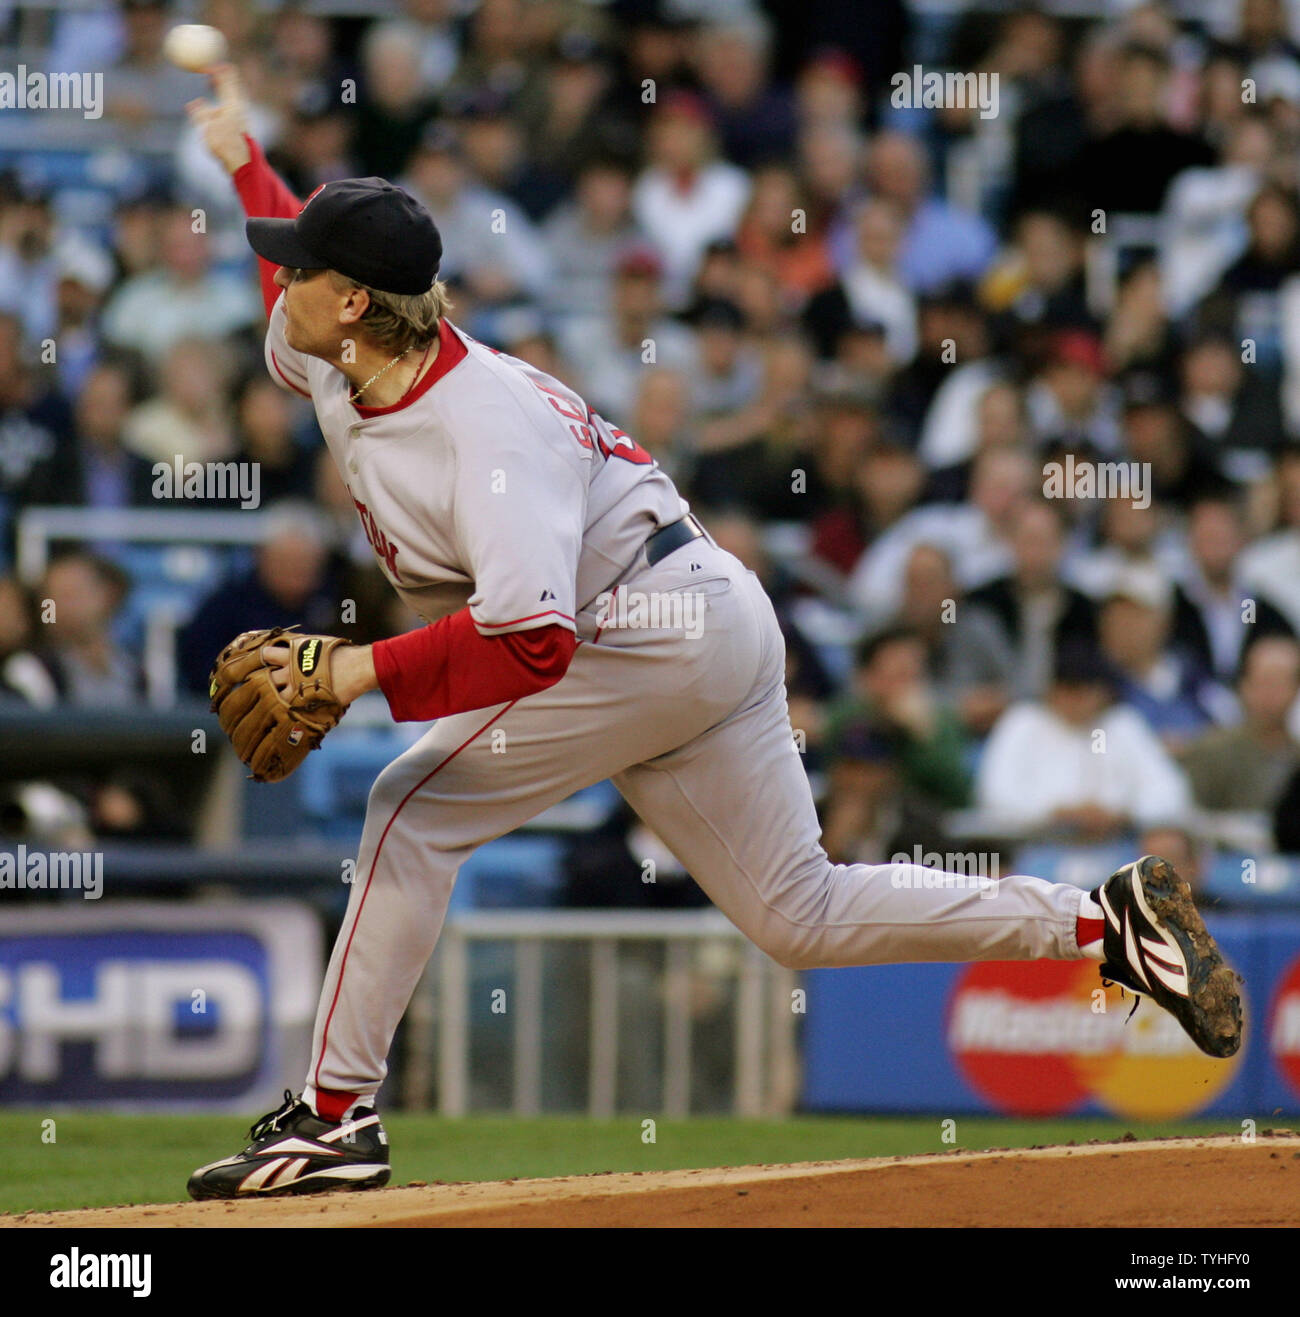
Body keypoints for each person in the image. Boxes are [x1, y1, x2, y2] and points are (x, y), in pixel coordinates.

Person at [182, 64, 1243, 1200]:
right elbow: (281, 272)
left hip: (647, 630)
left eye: (304, 266)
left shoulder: (483, 433)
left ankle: (336, 1120)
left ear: (352, 301)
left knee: (407, 809)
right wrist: (247, 157)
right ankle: (1106, 923)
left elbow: (530, 646)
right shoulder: (339, 350)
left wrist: (347, 671)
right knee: (802, 914)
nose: (280, 274)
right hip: (692, 622)